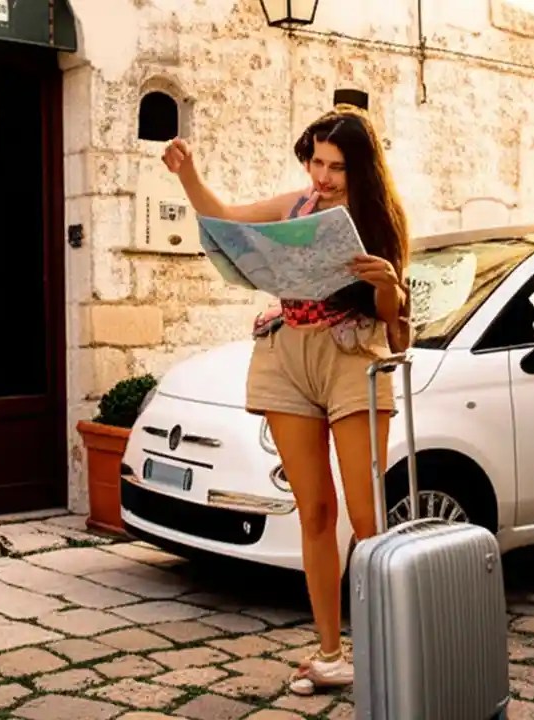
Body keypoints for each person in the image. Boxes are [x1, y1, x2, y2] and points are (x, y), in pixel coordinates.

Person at [160, 105, 412, 695]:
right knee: (315, 512)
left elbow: (393, 317)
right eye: (315, 161)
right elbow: (224, 221)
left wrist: (387, 286)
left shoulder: (377, 219)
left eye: (336, 168)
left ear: (363, 171)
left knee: (367, 513)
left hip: (352, 357)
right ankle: (330, 653)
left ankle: (384, 647)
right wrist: (188, 176)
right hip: (287, 356)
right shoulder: (294, 207)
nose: (321, 177)